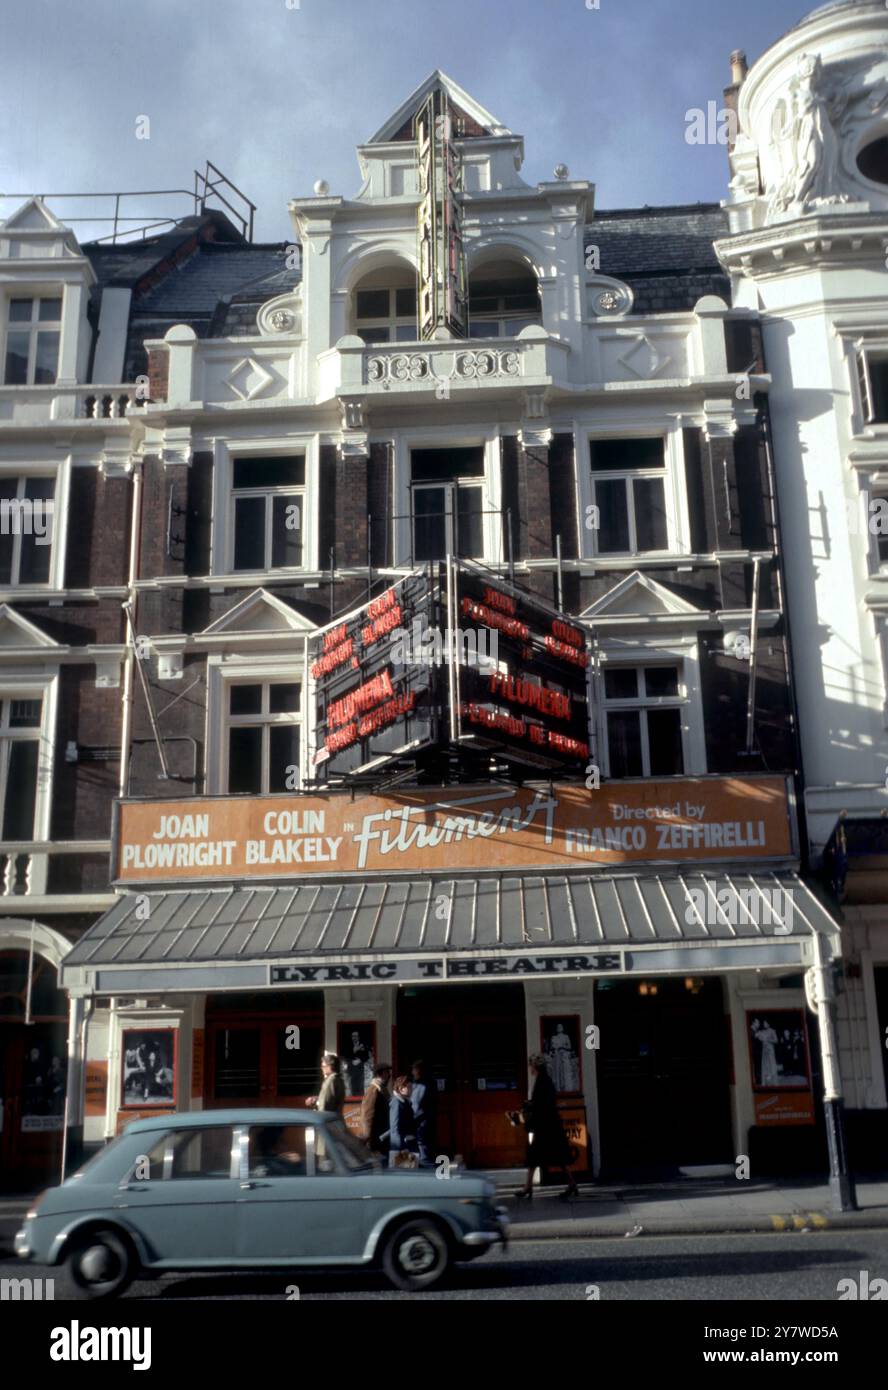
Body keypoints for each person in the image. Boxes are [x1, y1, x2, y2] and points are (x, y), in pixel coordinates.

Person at [514, 1054, 578, 1202]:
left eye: (530, 1065)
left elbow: (542, 1105)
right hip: (549, 1126)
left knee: (534, 1156)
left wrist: (530, 1111)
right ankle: (570, 1184)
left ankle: (528, 1187)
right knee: (550, 1157)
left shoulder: (542, 1082)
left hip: (545, 1127)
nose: (529, 1068)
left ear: (535, 1067)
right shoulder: (544, 1080)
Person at [410, 1059, 437, 1167]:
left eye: (413, 1069)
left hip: (421, 1121)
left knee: (423, 1148)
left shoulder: (421, 1085)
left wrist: (412, 1118)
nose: (412, 1072)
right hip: (427, 1119)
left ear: (418, 1070)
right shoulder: (430, 1083)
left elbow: (416, 1104)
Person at [360, 1064, 392, 1155]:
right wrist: (369, 1140)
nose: (389, 1075)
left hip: (383, 1138)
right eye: (387, 1073)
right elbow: (367, 1117)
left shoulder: (382, 1090)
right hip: (377, 1140)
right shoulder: (373, 1090)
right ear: (379, 1074)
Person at [388, 1075, 417, 1168]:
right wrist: (401, 1147)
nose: (411, 1089)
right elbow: (395, 1127)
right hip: (401, 1148)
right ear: (401, 1089)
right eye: (409, 1087)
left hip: (408, 1144)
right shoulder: (397, 1103)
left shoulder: (405, 1102)